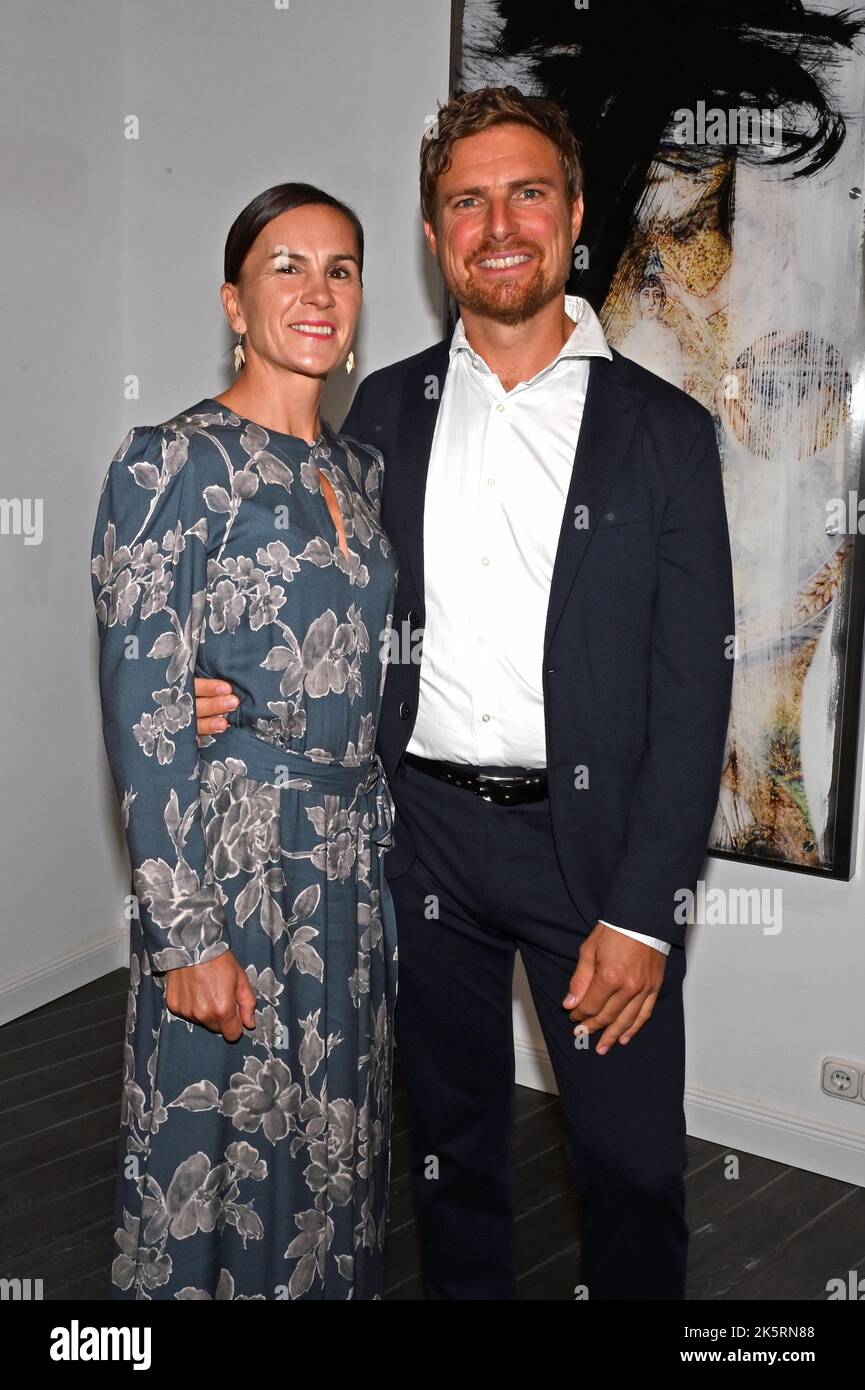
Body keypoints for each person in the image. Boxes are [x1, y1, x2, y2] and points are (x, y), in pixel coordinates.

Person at [195, 87, 735, 1300]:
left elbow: (694, 689)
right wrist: (203, 690)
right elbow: (302, 600)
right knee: (449, 1161)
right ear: (438, 239)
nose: (498, 222)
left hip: (588, 859)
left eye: (526, 191)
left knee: (633, 1168)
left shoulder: (664, 434)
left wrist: (646, 911)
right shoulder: (380, 411)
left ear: (574, 214)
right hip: (416, 843)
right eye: (466, 201)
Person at [91, 182, 398, 1300]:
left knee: (331, 1149)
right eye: (286, 266)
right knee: (217, 1149)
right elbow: (144, 706)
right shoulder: (171, 463)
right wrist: (186, 936)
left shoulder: (359, 475)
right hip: (231, 861)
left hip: (350, 870)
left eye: (341, 268)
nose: (317, 291)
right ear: (234, 299)